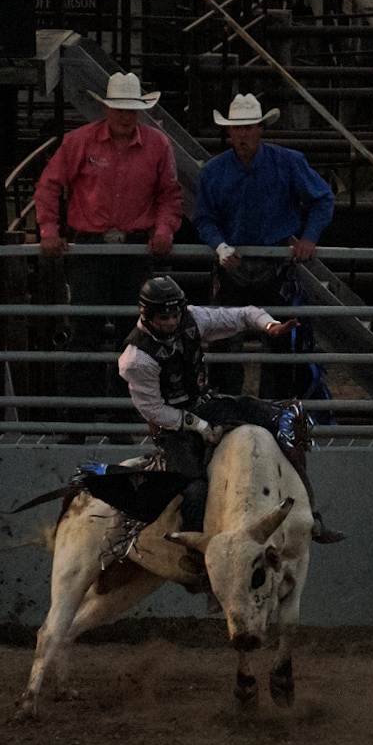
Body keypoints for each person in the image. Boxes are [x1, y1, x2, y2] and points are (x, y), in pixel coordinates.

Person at [117, 276, 341, 542]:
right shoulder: (136, 359)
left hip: (205, 403)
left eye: (176, 314)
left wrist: (268, 325)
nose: (173, 322)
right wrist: (196, 425)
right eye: (164, 317)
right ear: (148, 316)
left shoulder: (193, 319)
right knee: (195, 490)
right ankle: (196, 550)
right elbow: (152, 409)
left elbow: (243, 314)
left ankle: (309, 514)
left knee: (287, 419)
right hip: (174, 426)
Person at [33, 72, 183, 425]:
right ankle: (80, 419)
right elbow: (49, 185)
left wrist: (163, 229)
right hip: (93, 249)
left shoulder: (156, 145)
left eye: (130, 110)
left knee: (131, 336)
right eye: (119, 109)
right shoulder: (80, 142)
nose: (125, 116)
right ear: (107, 109)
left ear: (138, 112)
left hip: (131, 248)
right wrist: (49, 230)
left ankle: (119, 418)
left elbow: (170, 196)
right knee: (86, 331)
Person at [195, 93, 334, 399]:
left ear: (260, 129)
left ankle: (272, 411)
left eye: (249, 127)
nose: (243, 134)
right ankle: (229, 409)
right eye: (238, 129)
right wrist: (219, 246)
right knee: (227, 346)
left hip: (273, 263)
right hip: (241, 262)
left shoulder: (287, 163)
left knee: (279, 345)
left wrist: (310, 237)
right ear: (230, 132)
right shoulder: (215, 172)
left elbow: (323, 199)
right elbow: (205, 220)